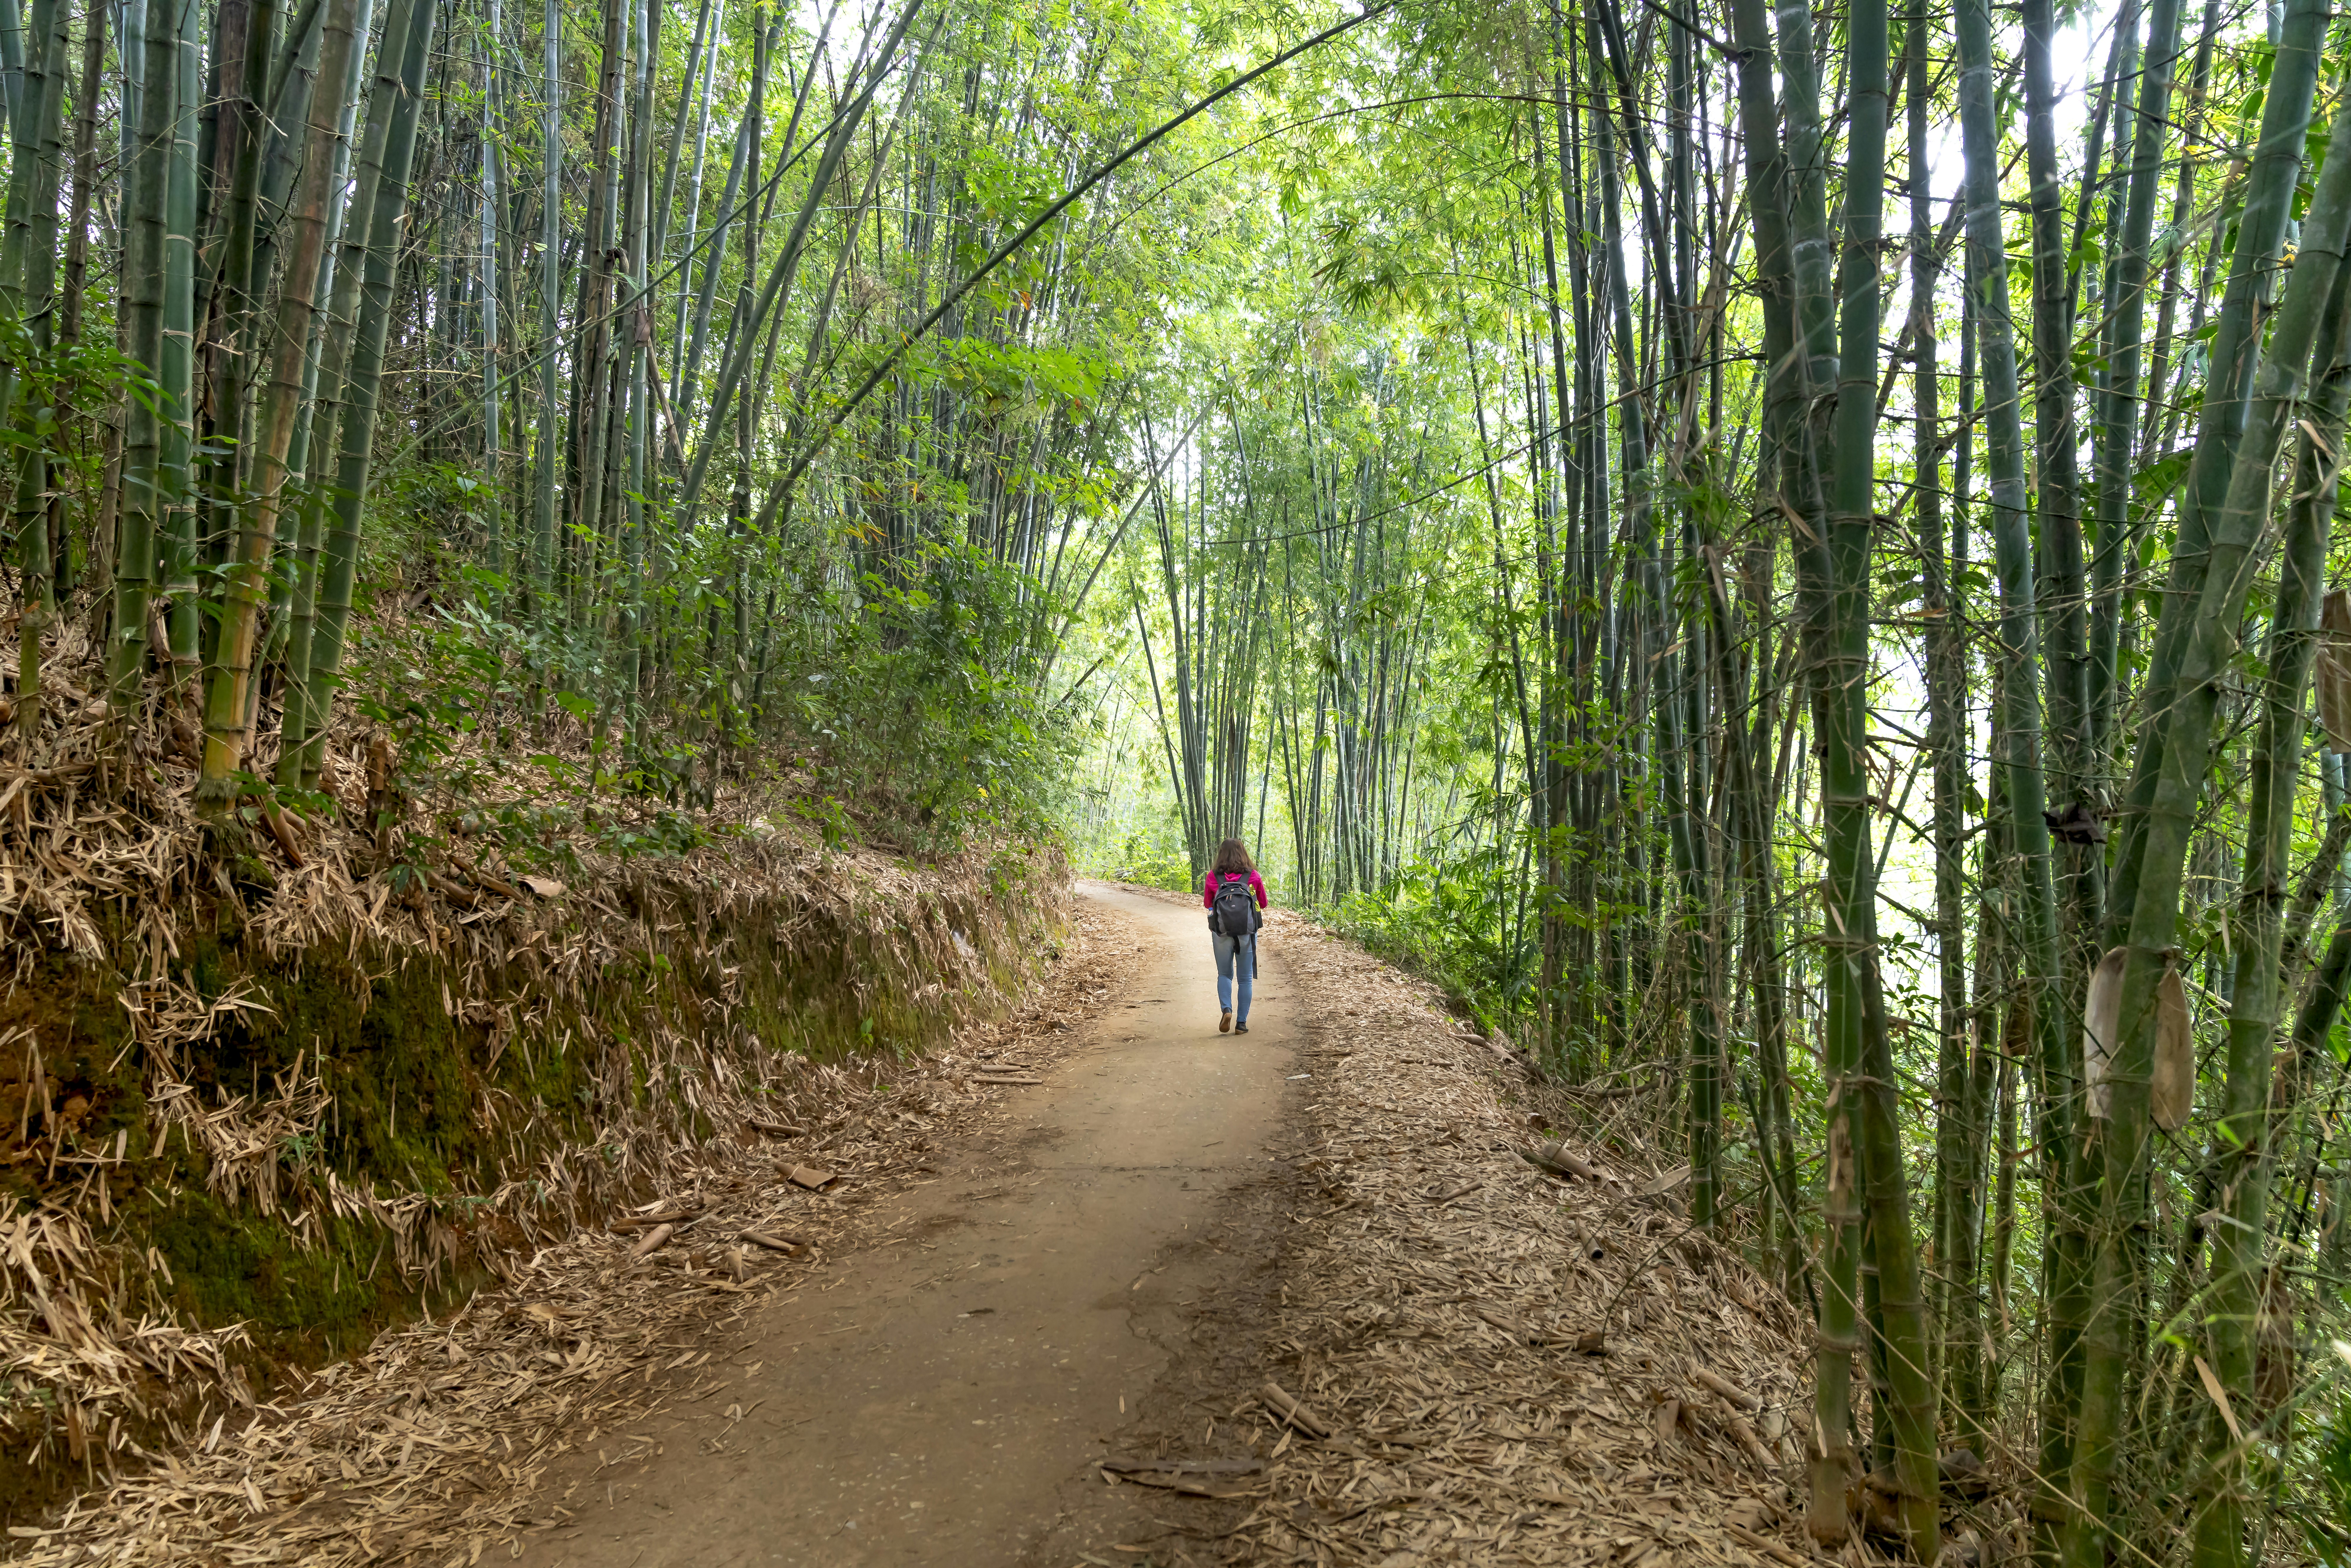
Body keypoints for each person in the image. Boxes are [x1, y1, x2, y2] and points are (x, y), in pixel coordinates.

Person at [1202, 838, 1267, 1034]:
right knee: (1246, 979)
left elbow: (1208, 904)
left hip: (1221, 931)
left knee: (1225, 974)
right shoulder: (1252, 876)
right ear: (1243, 854)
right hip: (1247, 932)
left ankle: (1227, 1010)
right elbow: (1262, 904)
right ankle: (1241, 1024)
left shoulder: (1213, 877)